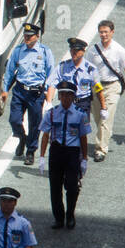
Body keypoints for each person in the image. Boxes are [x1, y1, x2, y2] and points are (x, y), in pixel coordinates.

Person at [38, 82, 91, 230]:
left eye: (68, 95)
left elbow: (83, 137)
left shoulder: (81, 114)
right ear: (59, 96)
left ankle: (70, 215)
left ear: (73, 96)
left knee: (72, 186)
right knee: (55, 187)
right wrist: (41, 157)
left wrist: (84, 159)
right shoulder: (52, 113)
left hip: (72, 153)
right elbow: (45, 135)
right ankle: (59, 218)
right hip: (56, 151)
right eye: (62, 95)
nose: (65, 98)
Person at [1, 21, 54, 167]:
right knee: (14, 119)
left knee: (35, 124)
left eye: (30, 36)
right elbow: (10, 70)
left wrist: (49, 99)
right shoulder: (18, 50)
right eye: (25, 35)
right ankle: (22, 138)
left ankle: (30, 151)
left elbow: (51, 75)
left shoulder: (45, 52)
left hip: (36, 94)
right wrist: (5, 89)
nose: (27, 38)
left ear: (37, 36)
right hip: (20, 90)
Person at [89, 20, 125, 163]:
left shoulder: (119, 50)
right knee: (98, 117)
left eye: (106, 32)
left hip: (112, 86)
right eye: (101, 32)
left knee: (106, 117)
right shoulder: (93, 50)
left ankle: (100, 149)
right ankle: (105, 135)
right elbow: (89, 70)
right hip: (97, 87)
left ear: (112, 32)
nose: (103, 34)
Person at [46, 38, 103, 116]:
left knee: (82, 127)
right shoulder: (63, 67)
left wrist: (103, 107)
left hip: (83, 104)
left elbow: (98, 88)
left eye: (77, 50)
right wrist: (49, 103)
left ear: (83, 51)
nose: (74, 53)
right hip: (66, 103)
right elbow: (52, 84)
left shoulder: (90, 69)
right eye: (72, 50)